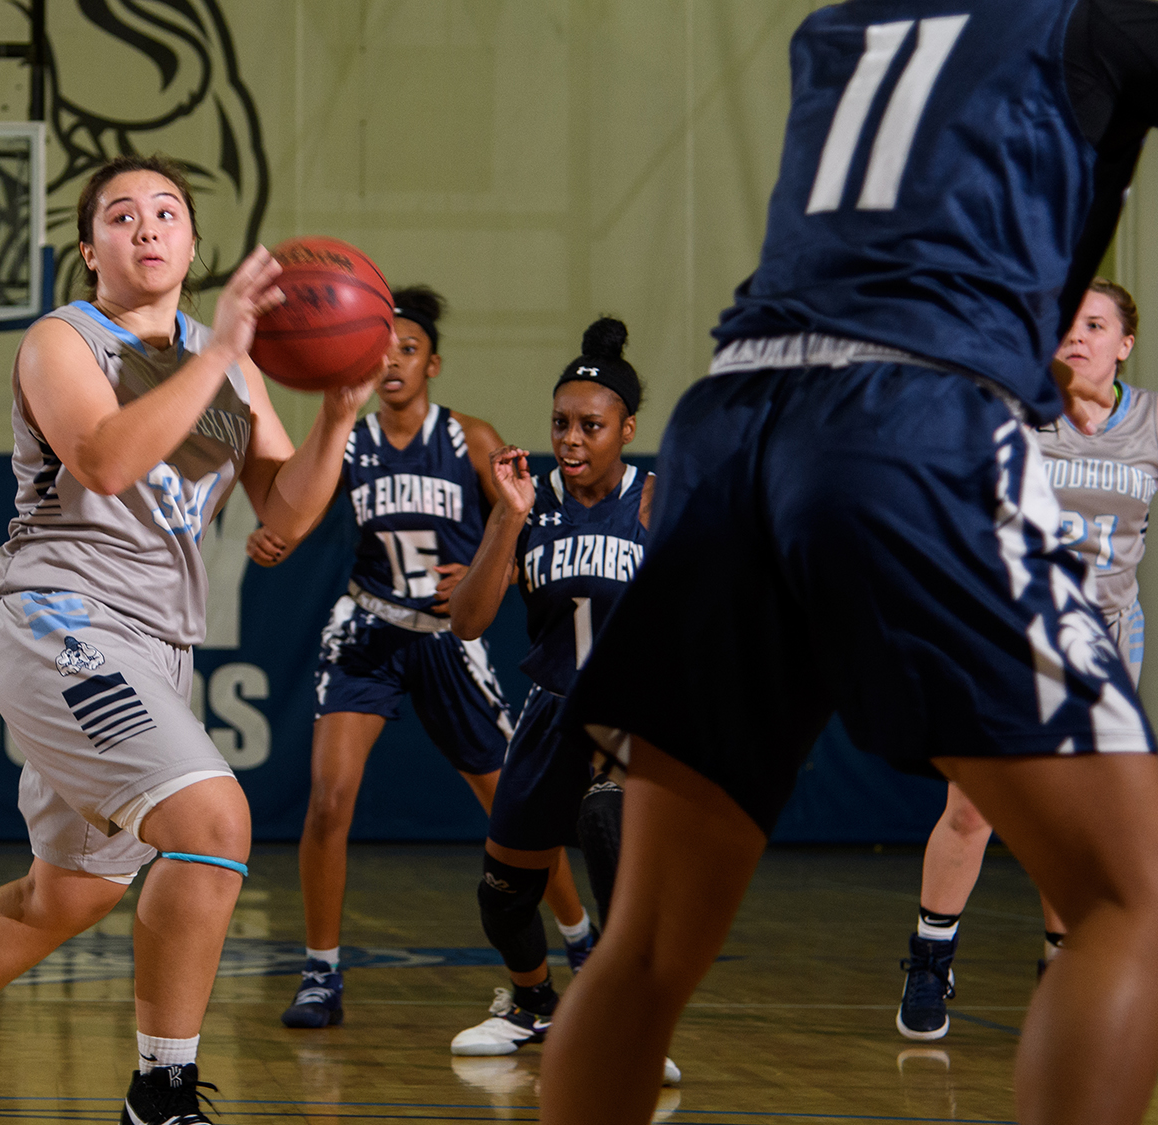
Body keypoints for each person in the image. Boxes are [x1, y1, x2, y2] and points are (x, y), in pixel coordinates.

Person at [534, 4, 1158, 1123]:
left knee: (646, 949)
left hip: (730, 423)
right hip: (908, 413)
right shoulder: (1089, 20)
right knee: (1130, 901)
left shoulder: (836, 24)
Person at [0, 153, 378, 1125]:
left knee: (71, 893)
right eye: (120, 215)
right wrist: (219, 355)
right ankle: (160, 1095)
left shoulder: (228, 363)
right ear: (90, 250)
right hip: (59, 616)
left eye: (166, 211)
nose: (147, 226)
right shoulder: (63, 339)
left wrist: (335, 416)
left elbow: (284, 515)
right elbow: (106, 459)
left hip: (157, 640)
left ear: (193, 244)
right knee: (213, 826)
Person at [243, 286, 594, 1033]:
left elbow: (532, 526)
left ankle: (581, 942)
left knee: (519, 812)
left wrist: (490, 572)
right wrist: (275, 535)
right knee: (328, 799)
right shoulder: (350, 438)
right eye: (383, 350)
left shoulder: (468, 436)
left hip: (447, 640)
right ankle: (320, 972)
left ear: (433, 363)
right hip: (367, 630)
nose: (394, 361)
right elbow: (297, 507)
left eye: (409, 349)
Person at [898, 277, 1158, 1040]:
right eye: (1067, 323)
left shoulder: (1149, 422)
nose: (1077, 336)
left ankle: (1063, 969)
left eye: (1096, 324)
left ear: (1125, 343)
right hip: (1009, 636)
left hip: (1105, 640)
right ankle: (930, 956)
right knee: (974, 806)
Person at [437, 318, 673, 1067]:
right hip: (550, 710)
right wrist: (507, 518)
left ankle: (632, 1025)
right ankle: (533, 1004)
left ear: (627, 429)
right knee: (504, 894)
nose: (571, 439)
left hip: (630, 714)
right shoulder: (528, 501)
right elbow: (468, 620)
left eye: (590, 426)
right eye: (560, 423)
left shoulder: (658, 501)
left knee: (607, 823)